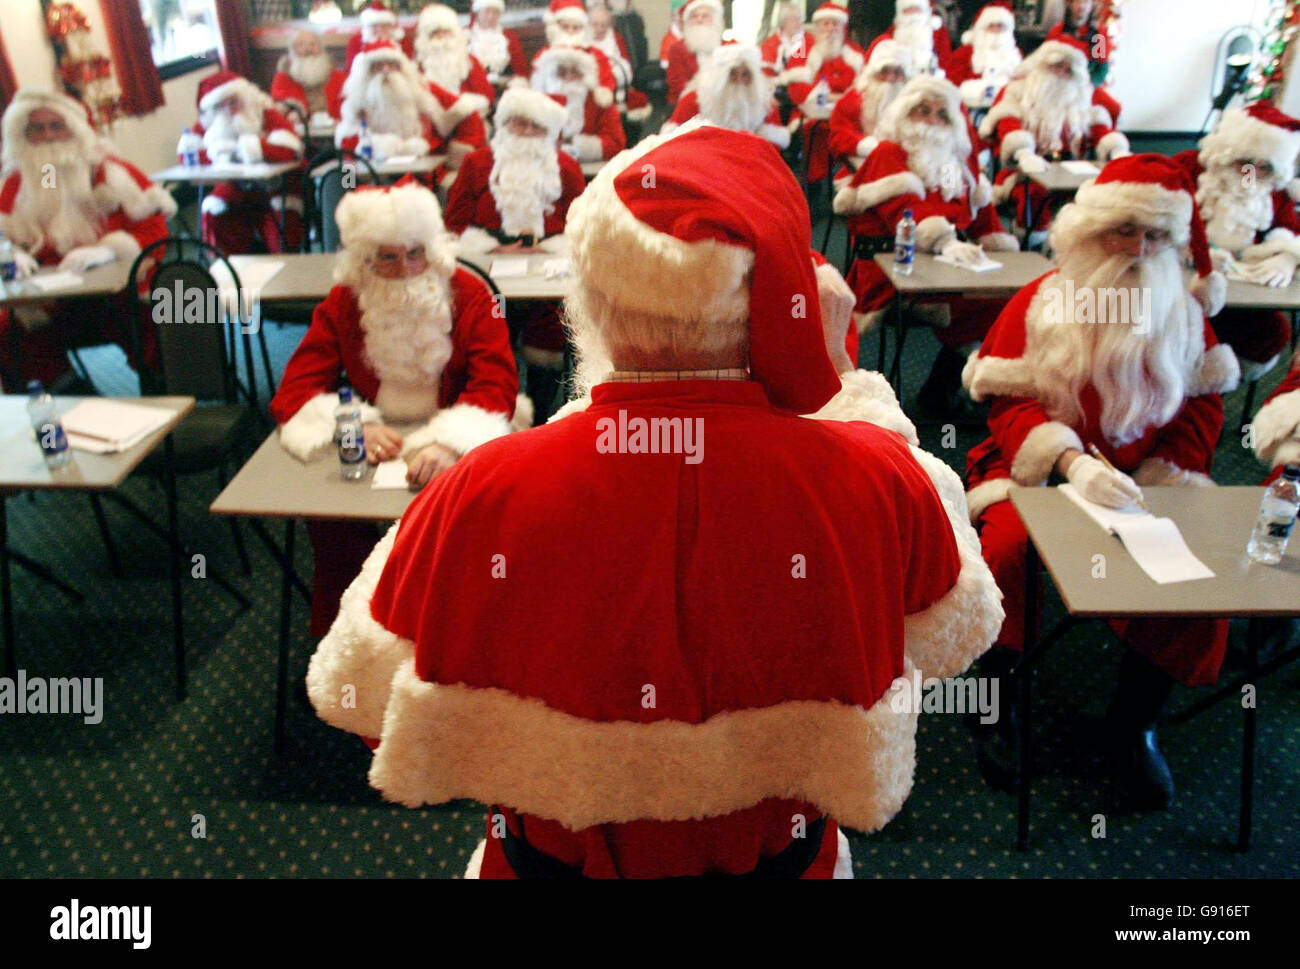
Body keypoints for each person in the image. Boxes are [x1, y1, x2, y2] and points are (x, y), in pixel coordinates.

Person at [306, 121, 1003, 878]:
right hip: (777, 860)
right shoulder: (873, 476)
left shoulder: (478, 486)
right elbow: (954, 632)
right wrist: (844, 385)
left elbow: (359, 696)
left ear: (592, 305)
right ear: (780, 305)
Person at [963, 154, 1238, 809]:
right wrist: (1070, 462)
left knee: (1199, 572)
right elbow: (1005, 398)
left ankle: (1132, 722)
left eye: (1156, 235)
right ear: (1090, 233)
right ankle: (998, 690)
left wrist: (1157, 474)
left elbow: (1203, 406)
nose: (1139, 249)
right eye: (1123, 231)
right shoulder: (1039, 302)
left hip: (1144, 480)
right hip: (1034, 470)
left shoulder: (1184, 313)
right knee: (1005, 550)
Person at [271, 179, 522, 637]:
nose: (405, 269)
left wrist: (450, 443)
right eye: (387, 257)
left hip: (458, 434)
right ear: (365, 261)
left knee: (464, 518)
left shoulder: (471, 295)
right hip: (378, 441)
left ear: (432, 250)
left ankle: (451, 637)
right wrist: (352, 427)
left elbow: (497, 384)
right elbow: (298, 384)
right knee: (332, 518)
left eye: (414, 253)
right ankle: (351, 636)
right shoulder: (344, 302)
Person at [834, 75, 1016, 417]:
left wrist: (999, 244)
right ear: (905, 113)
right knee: (986, 303)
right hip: (891, 269)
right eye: (922, 111)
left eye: (940, 114)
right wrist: (944, 241)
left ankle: (942, 389)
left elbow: (982, 216)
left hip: (949, 266)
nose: (931, 121)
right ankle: (950, 391)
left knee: (1009, 298)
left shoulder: (956, 162)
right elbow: (905, 213)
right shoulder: (889, 153)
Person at [0, 89, 174, 391]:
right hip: (52, 297)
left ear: (75, 127)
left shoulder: (112, 173)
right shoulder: (28, 179)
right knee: (7, 329)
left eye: (57, 125)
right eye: (37, 129)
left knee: (158, 313)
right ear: (23, 134)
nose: (49, 136)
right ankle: (65, 394)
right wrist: (11, 251)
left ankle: (165, 389)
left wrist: (109, 251)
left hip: (118, 289)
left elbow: (156, 232)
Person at [443, 88, 585, 420]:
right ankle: (489, 406)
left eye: (534, 127)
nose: (524, 133)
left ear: (548, 132)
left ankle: (540, 413)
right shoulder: (475, 163)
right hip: (488, 264)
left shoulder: (565, 166)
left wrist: (548, 249)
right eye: (516, 124)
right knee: (481, 323)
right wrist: (492, 247)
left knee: (552, 326)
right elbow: (453, 226)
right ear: (503, 126)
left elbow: (581, 225)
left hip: (546, 265)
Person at [1174, 104, 1300, 383]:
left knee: (1271, 332)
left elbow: (1289, 229)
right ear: (1227, 151)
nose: (1251, 176)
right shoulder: (1188, 168)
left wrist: (1287, 256)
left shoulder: (1275, 192)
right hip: (1178, 288)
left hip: (1239, 293)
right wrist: (1191, 250)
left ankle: (1221, 387)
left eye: (1263, 168)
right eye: (1245, 163)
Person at [979, 37, 1128, 248]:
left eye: (1068, 70)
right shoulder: (1018, 92)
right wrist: (1023, 151)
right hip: (1025, 172)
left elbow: (1100, 126)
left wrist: (1115, 148)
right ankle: (1032, 246)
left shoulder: (1083, 93)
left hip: (1071, 170)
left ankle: (1079, 247)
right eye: (1057, 66)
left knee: (1099, 195)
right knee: (1035, 194)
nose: (1061, 74)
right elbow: (1007, 123)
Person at [189, 72, 305, 253]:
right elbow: (189, 154)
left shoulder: (264, 112)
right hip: (235, 188)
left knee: (282, 223)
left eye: (233, 102)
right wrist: (219, 153)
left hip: (276, 186)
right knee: (215, 212)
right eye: (221, 105)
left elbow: (290, 149)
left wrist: (255, 148)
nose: (229, 110)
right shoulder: (212, 124)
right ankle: (229, 268)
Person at [335, 41, 486, 173]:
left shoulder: (424, 90)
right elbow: (347, 144)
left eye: (392, 65)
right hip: (371, 172)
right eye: (378, 66)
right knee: (339, 180)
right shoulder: (357, 99)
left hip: (421, 171)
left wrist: (459, 151)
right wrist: (375, 146)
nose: (386, 70)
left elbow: (467, 113)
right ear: (368, 72)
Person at [661, 45, 790, 150]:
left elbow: (773, 148)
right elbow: (674, 143)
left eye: (745, 74)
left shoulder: (765, 103)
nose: (739, 80)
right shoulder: (695, 99)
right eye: (733, 74)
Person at [827, 38, 912, 178]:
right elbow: (839, 135)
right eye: (884, 71)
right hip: (867, 165)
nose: (890, 78)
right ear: (873, 72)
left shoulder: (916, 102)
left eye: (897, 72)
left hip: (908, 164)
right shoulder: (854, 99)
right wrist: (869, 146)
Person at [531, 45, 627, 162]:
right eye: (561, 72)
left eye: (575, 72)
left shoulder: (599, 101)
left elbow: (616, 143)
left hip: (589, 170)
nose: (569, 77)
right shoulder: (534, 104)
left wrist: (575, 145)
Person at [414, 3, 495, 119]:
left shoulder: (469, 61)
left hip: (467, 119)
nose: (441, 37)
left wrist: (464, 106)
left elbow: (487, 97)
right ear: (425, 39)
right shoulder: (419, 66)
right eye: (435, 33)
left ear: (455, 34)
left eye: (446, 31)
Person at [587, 2, 653, 133]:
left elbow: (627, 64)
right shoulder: (584, 42)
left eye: (603, 25)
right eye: (595, 24)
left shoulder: (616, 38)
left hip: (621, 91)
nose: (599, 29)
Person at [944, 1, 1020, 110]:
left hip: (1006, 108)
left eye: (1000, 26)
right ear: (981, 29)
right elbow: (951, 85)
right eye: (991, 26)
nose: (995, 30)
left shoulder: (1015, 55)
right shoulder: (965, 52)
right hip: (970, 108)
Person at [271, 28, 346, 122]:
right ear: (292, 51)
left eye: (313, 44)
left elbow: (346, 105)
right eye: (301, 45)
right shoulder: (282, 78)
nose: (308, 49)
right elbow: (279, 107)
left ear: (320, 48)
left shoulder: (337, 76)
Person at [866, 0, 954, 78]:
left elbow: (946, 64)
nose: (913, 16)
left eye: (917, 9)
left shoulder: (939, 33)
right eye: (908, 10)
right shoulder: (887, 38)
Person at [665, 0, 729, 104]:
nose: (699, 20)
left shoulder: (729, 48)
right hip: (688, 104)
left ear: (715, 20)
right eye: (694, 16)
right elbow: (677, 86)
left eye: (705, 16)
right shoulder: (677, 49)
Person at [467, 0, 529, 89]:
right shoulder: (465, 36)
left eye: (495, 12)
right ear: (477, 13)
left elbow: (521, 71)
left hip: (505, 87)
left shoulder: (509, 37)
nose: (491, 16)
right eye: (487, 11)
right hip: (475, 88)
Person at [1048, 0, 1111, 86]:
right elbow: (1047, 65)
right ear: (1069, 4)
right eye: (1077, 1)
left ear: (1092, 4)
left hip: (1087, 86)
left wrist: (1088, 86)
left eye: (1086, 2)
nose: (1081, 6)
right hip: (1061, 85)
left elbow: (1101, 70)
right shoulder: (1056, 33)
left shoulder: (1099, 34)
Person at [345, 0, 415, 71]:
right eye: (374, 25)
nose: (379, 29)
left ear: (392, 27)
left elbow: (408, 68)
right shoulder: (356, 41)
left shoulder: (403, 41)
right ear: (367, 28)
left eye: (384, 25)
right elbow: (352, 70)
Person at [759, 1, 814, 86]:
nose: (799, 23)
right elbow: (765, 76)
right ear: (783, 22)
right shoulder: (771, 43)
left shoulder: (810, 40)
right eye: (795, 20)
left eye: (800, 19)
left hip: (804, 88)